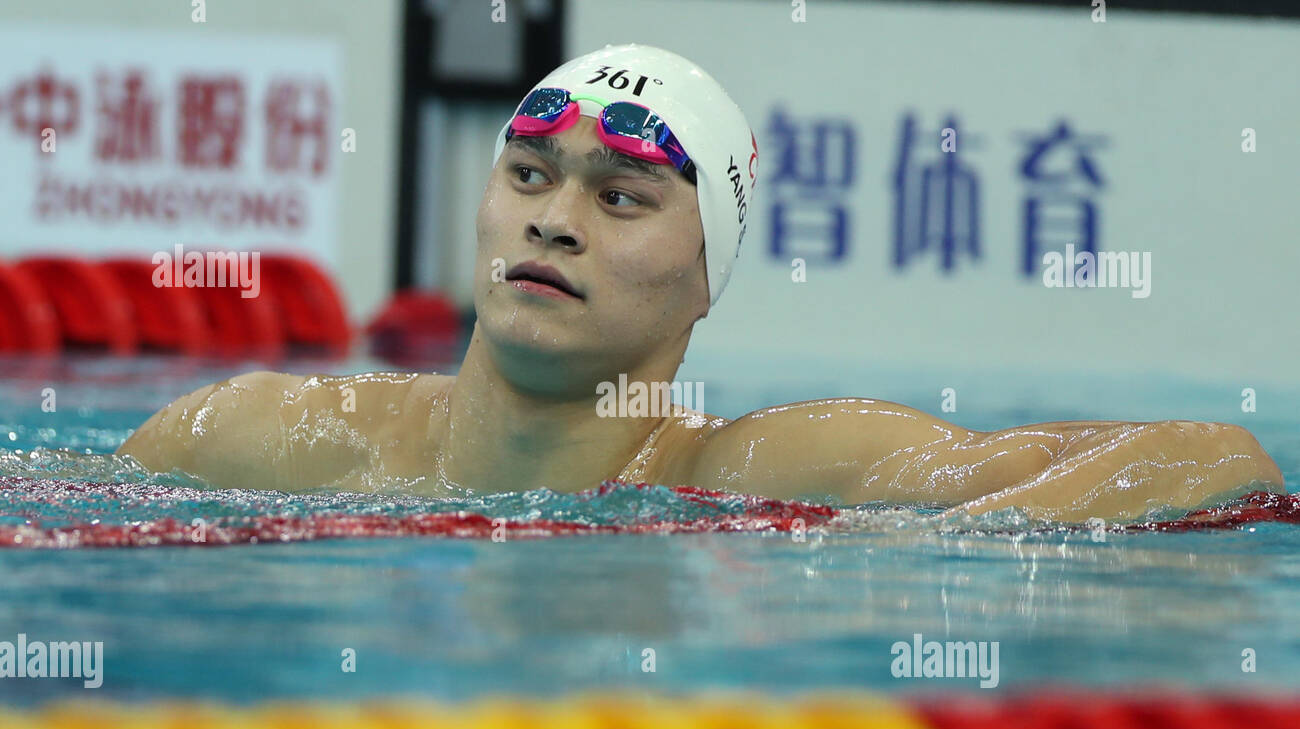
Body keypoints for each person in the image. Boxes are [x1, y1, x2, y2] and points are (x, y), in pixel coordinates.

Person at [116, 44, 1285, 524]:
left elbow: (1220, 457)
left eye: (620, 198)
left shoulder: (745, 475)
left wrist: (928, 540)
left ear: (705, 277)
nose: (554, 222)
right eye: (529, 173)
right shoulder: (266, 431)